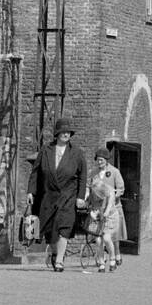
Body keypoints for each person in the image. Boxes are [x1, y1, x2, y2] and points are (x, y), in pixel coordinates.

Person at [26, 116, 87, 272]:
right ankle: (55, 252)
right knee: (50, 230)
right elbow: (35, 173)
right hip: (49, 195)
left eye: (68, 132)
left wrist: (80, 197)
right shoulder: (46, 150)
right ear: (57, 134)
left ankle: (60, 260)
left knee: (64, 228)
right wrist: (31, 192)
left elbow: (83, 176)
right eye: (63, 132)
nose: (66, 135)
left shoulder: (77, 153)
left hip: (68, 195)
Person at [88, 148, 120, 272]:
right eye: (98, 160)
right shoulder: (93, 174)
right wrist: (91, 210)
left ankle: (112, 258)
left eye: (101, 160)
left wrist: (104, 213)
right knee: (98, 239)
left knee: (106, 238)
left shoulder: (110, 190)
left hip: (109, 214)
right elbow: (89, 194)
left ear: (106, 161)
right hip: (98, 212)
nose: (99, 162)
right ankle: (101, 262)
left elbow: (116, 193)